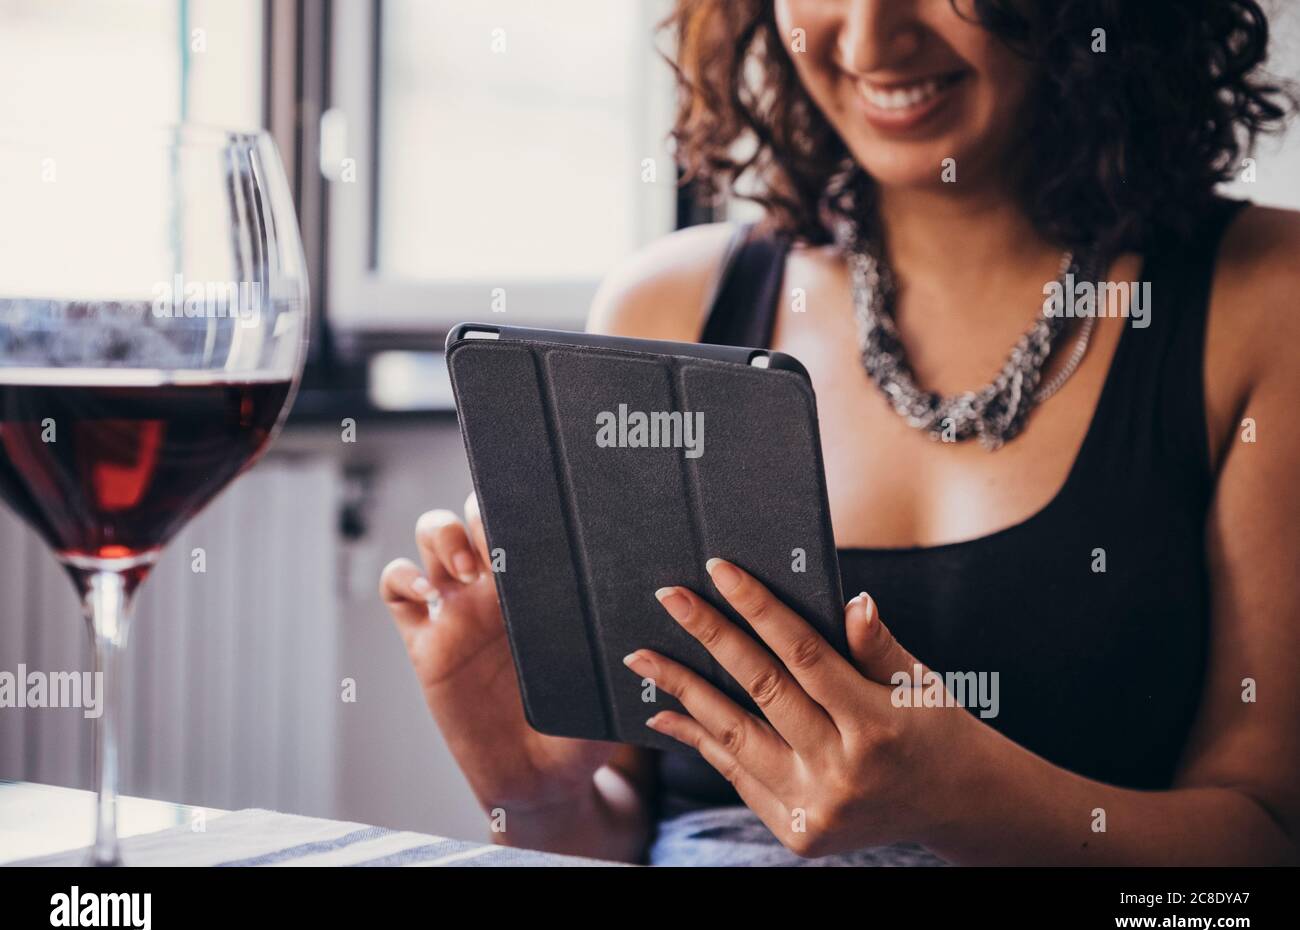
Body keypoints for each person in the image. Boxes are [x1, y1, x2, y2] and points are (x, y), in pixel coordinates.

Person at [381, 0, 1300, 865]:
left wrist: (968, 798)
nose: (870, 38)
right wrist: (532, 794)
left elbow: (1260, 852)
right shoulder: (668, 309)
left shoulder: (1267, 299)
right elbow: (623, 836)